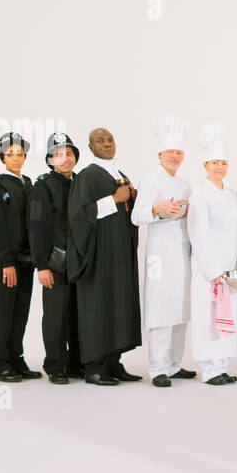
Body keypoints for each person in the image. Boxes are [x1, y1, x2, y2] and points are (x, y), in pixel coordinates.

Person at [68, 127, 142, 385]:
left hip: (120, 253)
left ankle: (113, 361)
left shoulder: (120, 174)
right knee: (99, 307)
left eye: (110, 139)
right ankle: (95, 367)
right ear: (90, 147)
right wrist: (114, 198)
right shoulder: (87, 176)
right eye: (100, 140)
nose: (107, 143)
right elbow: (78, 215)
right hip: (98, 255)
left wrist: (132, 198)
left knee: (118, 306)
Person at [133, 116, 194, 388]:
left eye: (179, 152)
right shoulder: (150, 180)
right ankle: (158, 367)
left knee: (180, 309)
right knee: (160, 309)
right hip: (159, 253)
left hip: (182, 251)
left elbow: (190, 215)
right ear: (160, 155)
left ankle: (174, 364)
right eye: (170, 152)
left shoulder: (185, 184)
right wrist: (157, 209)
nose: (174, 156)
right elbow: (136, 216)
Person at [186, 123, 237, 386]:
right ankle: (209, 369)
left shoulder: (232, 195)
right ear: (205, 166)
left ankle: (222, 365)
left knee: (227, 317)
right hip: (209, 269)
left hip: (230, 266)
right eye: (214, 163)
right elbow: (199, 236)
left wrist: (235, 268)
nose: (220, 167)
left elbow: (236, 233)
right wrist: (212, 271)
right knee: (208, 317)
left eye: (223, 163)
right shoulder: (200, 196)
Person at [29, 132, 84, 384]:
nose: (65, 159)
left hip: (79, 260)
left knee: (77, 314)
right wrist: (42, 265)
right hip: (55, 261)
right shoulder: (42, 187)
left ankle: (75, 362)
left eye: (69, 153)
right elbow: (36, 225)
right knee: (55, 316)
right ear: (50, 160)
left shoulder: (80, 183)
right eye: (59, 154)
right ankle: (55, 365)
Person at [0, 132, 38, 381]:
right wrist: (6, 262)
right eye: (10, 154)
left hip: (26, 260)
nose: (15, 158)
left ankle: (17, 359)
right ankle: (0, 363)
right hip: (6, 261)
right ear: (2, 157)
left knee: (20, 312)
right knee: (4, 312)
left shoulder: (28, 183)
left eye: (20, 154)